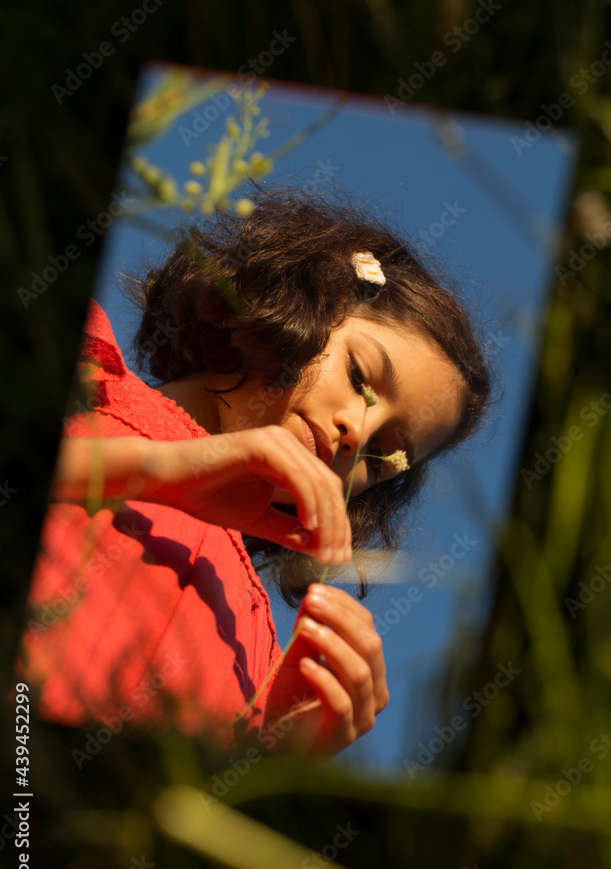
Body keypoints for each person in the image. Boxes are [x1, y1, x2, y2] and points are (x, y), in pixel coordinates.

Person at [17, 186, 490, 758]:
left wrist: (274, 750)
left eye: (386, 454)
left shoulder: (258, 653)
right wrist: (152, 468)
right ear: (301, 296)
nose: (357, 432)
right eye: (360, 377)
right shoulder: (84, 370)